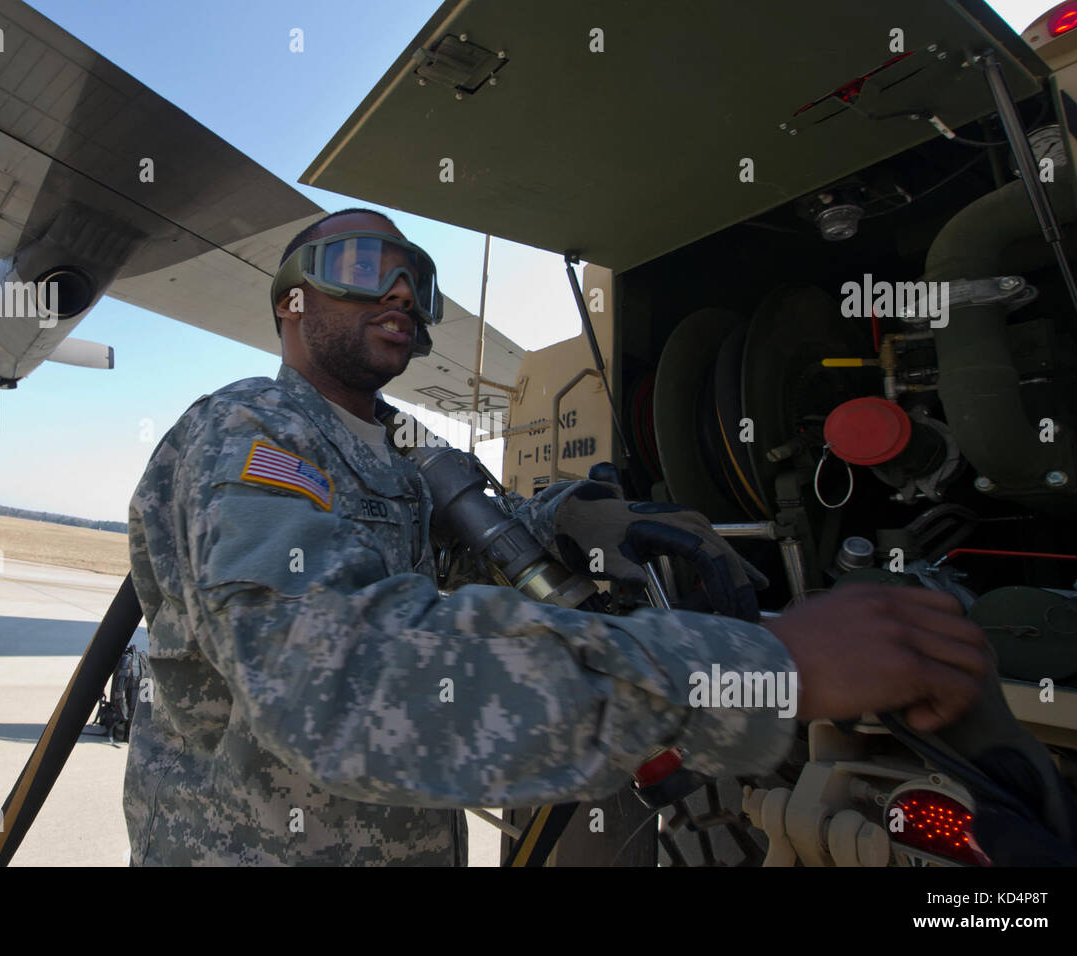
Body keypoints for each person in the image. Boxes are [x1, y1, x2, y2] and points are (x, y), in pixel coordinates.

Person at [122, 208, 989, 866]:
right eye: (361, 267)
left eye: (415, 283)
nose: (396, 293)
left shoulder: (403, 449)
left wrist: (579, 513)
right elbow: (334, 683)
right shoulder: (253, 431)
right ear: (291, 302)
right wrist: (762, 669)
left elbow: (447, 564)